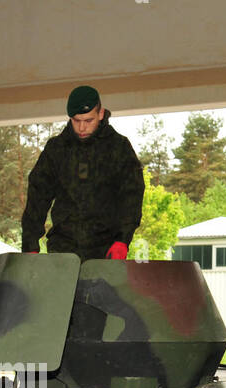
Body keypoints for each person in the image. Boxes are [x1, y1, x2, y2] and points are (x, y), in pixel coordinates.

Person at [21, 86, 145, 261]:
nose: (81, 128)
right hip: (63, 247)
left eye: (88, 121)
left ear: (101, 114)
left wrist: (122, 240)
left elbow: (132, 195)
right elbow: (37, 196)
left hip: (106, 247)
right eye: (76, 120)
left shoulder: (118, 148)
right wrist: (30, 244)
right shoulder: (57, 149)